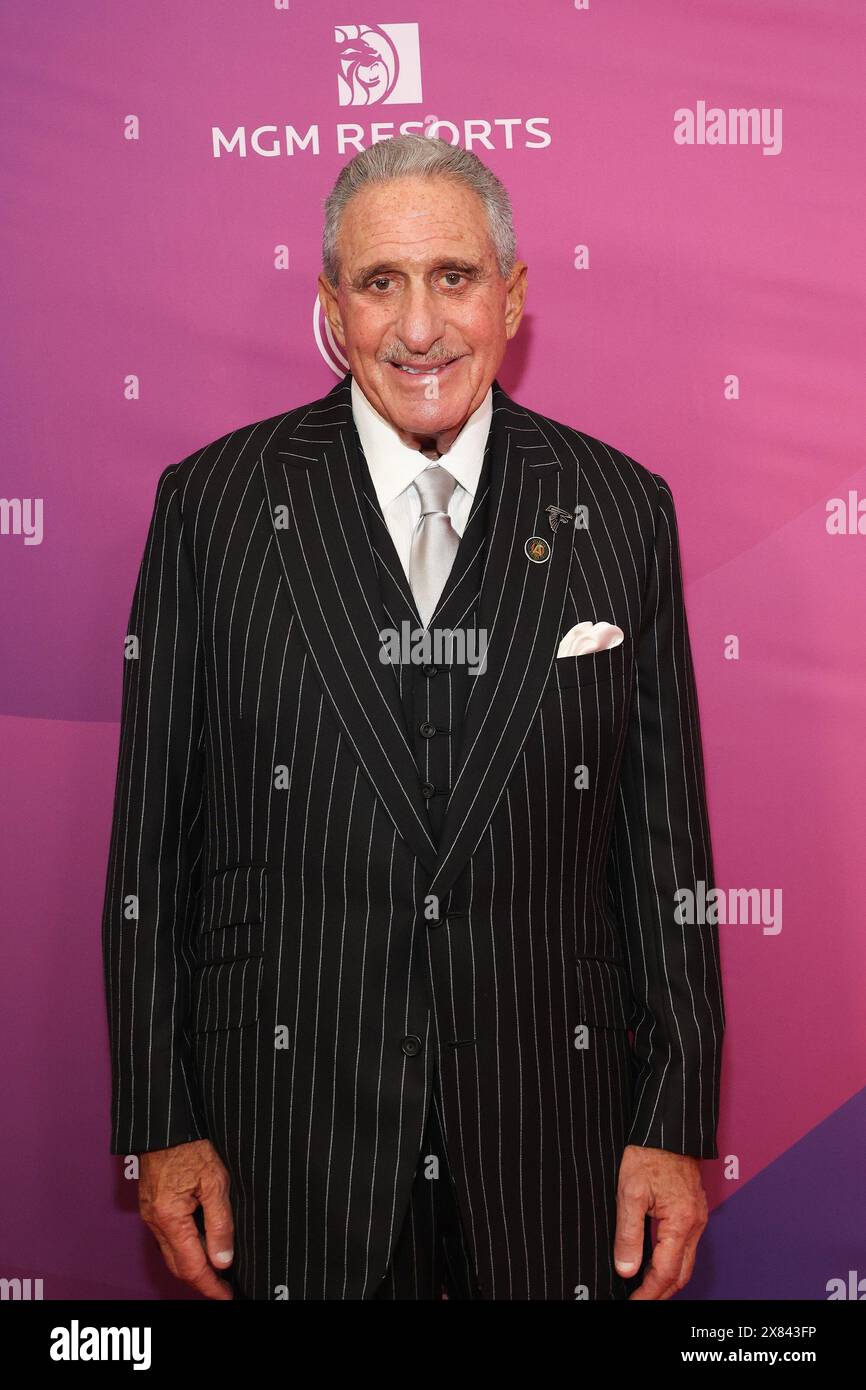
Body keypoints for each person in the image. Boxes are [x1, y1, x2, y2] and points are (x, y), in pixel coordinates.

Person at [101, 133, 725, 1301]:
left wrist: (673, 1118)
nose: (420, 326)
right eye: (380, 283)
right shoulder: (214, 508)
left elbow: (662, 852)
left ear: (513, 293)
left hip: (552, 1139)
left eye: (454, 276)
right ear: (331, 306)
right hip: (285, 1139)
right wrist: (160, 1119)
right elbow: (149, 849)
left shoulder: (619, 510)